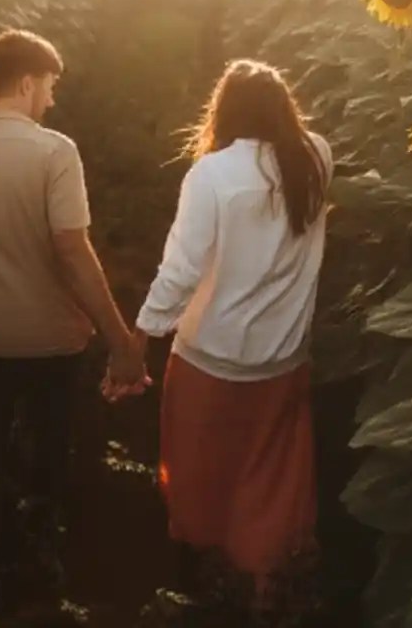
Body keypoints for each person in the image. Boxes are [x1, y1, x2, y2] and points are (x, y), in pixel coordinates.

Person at [0, 29, 148, 627]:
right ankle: (39, 571)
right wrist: (119, 340)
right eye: (48, 86)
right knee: (50, 455)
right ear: (26, 83)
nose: (50, 100)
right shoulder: (55, 153)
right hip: (51, 341)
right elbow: (73, 251)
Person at [105, 58, 331, 605]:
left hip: (213, 356)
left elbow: (181, 269)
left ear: (223, 111)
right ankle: (267, 589)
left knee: (201, 470)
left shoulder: (213, 174)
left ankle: (206, 583)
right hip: (283, 356)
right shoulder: (315, 157)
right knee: (269, 475)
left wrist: (139, 340)